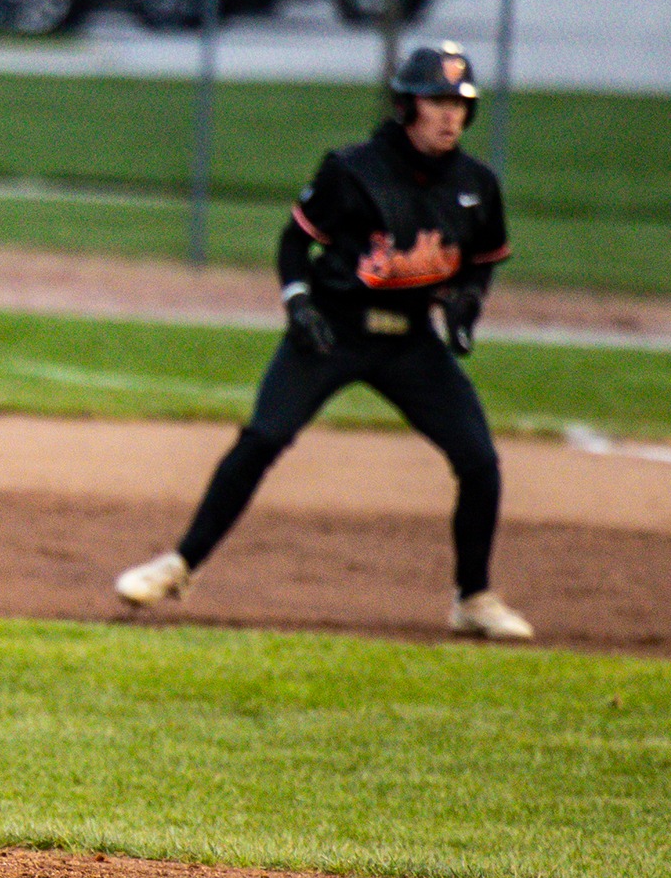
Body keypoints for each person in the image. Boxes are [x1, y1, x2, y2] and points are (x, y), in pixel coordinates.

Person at [115, 42, 531, 641]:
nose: (450, 116)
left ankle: (473, 597)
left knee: (480, 461)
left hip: (410, 341)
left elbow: (479, 262)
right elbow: (294, 243)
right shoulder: (353, 169)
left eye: (461, 104)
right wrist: (299, 302)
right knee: (264, 437)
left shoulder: (476, 185)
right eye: (437, 101)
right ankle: (179, 566)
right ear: (407, 105)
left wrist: (467, 301)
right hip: (333, 330)